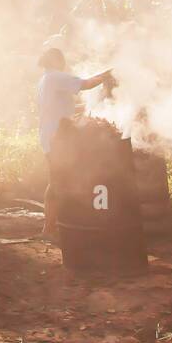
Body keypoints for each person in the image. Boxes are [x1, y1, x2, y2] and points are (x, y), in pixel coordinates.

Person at [37, 47, 116, 239]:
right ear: (57, 60)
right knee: (58, 181)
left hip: (52, 135)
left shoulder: (46, 79)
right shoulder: (56, 77)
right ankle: (52, 228)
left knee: (55, 180)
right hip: (58, 137)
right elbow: (87, 84)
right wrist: (107, 76)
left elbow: (65, 105)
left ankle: (51, 227)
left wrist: (104, 75)